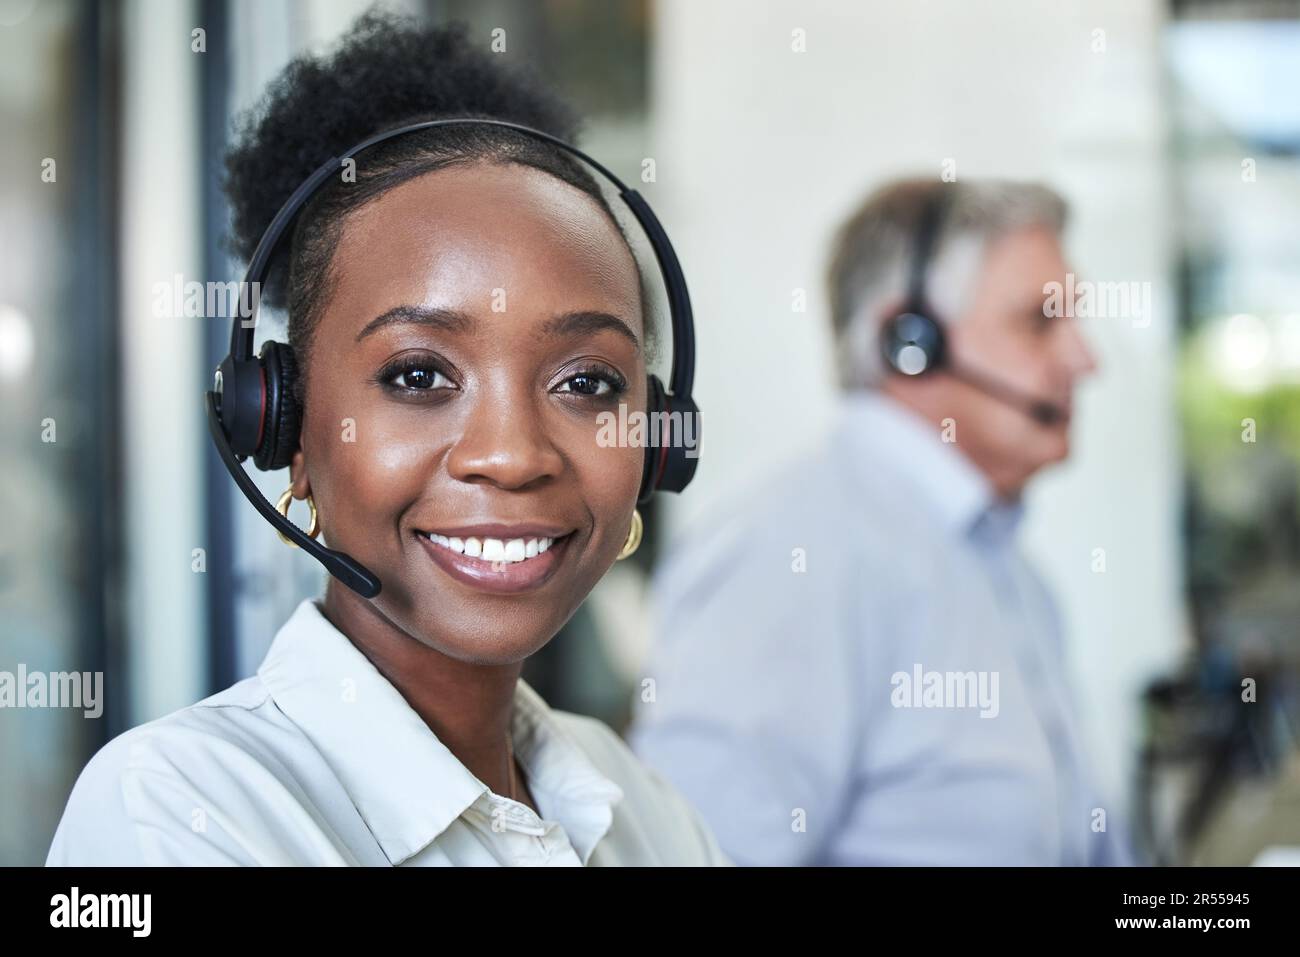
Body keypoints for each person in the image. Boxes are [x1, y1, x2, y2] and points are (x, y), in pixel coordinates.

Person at [46, 11, 728, 867]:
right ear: (285, 425)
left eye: (586, 383)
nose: (512, 455)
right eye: (418, 376)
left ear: (657, 438)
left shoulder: (639, 807)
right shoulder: (177, 810)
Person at [628, 177, 1133, 866]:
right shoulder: (790, 552)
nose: (1086, 359)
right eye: (1041, 320)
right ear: (910, 341)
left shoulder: (1005, 565)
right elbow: (701, 855)